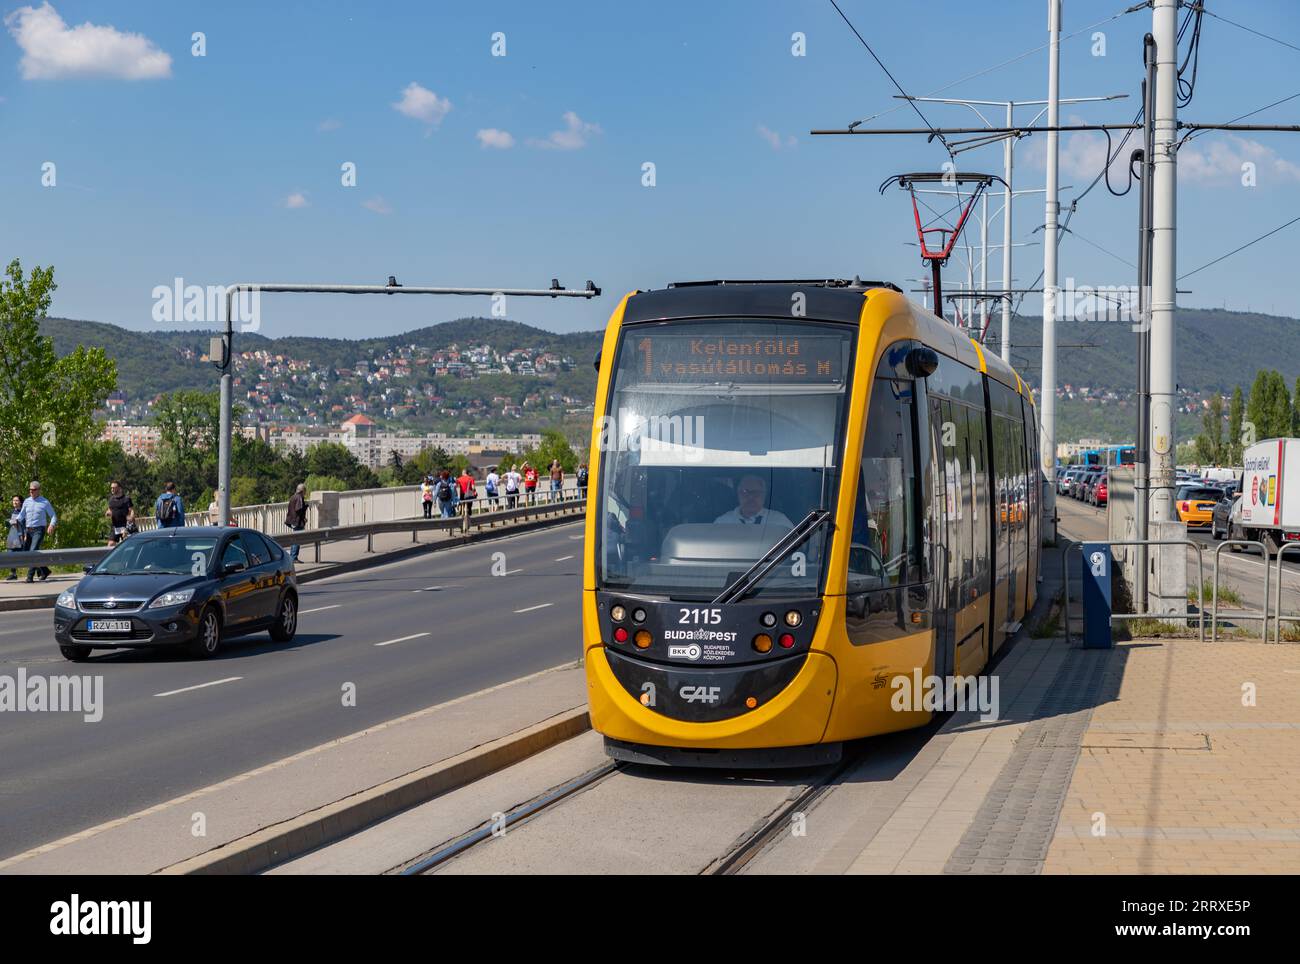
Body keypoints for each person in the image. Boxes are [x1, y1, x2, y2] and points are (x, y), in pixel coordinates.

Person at [713, 474, 793, 529]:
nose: (750, 497)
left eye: (756, 492)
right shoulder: (722, 522)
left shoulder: (780, 521)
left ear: (764, 495)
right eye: (745, 492)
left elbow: (796, 546)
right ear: (737, 494)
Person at [20, 481, 57, 583]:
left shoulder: (44, 502)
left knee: (33, 551)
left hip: (39, 530)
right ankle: (45, 570)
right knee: (27, 552)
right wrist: (14, 522)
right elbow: (21, 516)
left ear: (39, 490)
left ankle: (30, 577)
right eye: (30, 490)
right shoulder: (26, 501)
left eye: (33, 490)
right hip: (28, 530)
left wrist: (51, 525)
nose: (31, 492)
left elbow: (53, 515)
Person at [105, 480, 135, 547]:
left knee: (126, 546)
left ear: (119, 488)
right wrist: (108, 513)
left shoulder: (126, 499)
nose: (112, 489)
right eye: (111, 488)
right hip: (115, 526)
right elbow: (109, 510)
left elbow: (131, 510)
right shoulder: (111, 499)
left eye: (114, 488)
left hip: (125, 526)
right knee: (110, 544)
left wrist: (131, 517)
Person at [285, 483, 308, 562]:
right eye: (305, 491)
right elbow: (298, 509)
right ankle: (294, 557)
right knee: (297, 540)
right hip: (297, 522)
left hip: (292, 521)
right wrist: (303, 517)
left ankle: (292, 556)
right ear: (302, 491)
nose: (305, 493)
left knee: (295, 539)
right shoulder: (299, 497)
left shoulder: (293, 497)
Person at [6, 495, 24, 580]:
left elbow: (23, 524)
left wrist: (22, 536)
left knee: (26, 555)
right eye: (13, 500)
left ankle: (42, 569)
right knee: (10, 554)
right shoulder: (12, 511)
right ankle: (13, 573)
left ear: (20, 502)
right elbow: (11, 523)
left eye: (16, 500)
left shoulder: (23, 512)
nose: (14, 502)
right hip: (13, 535)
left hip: (21, 536)